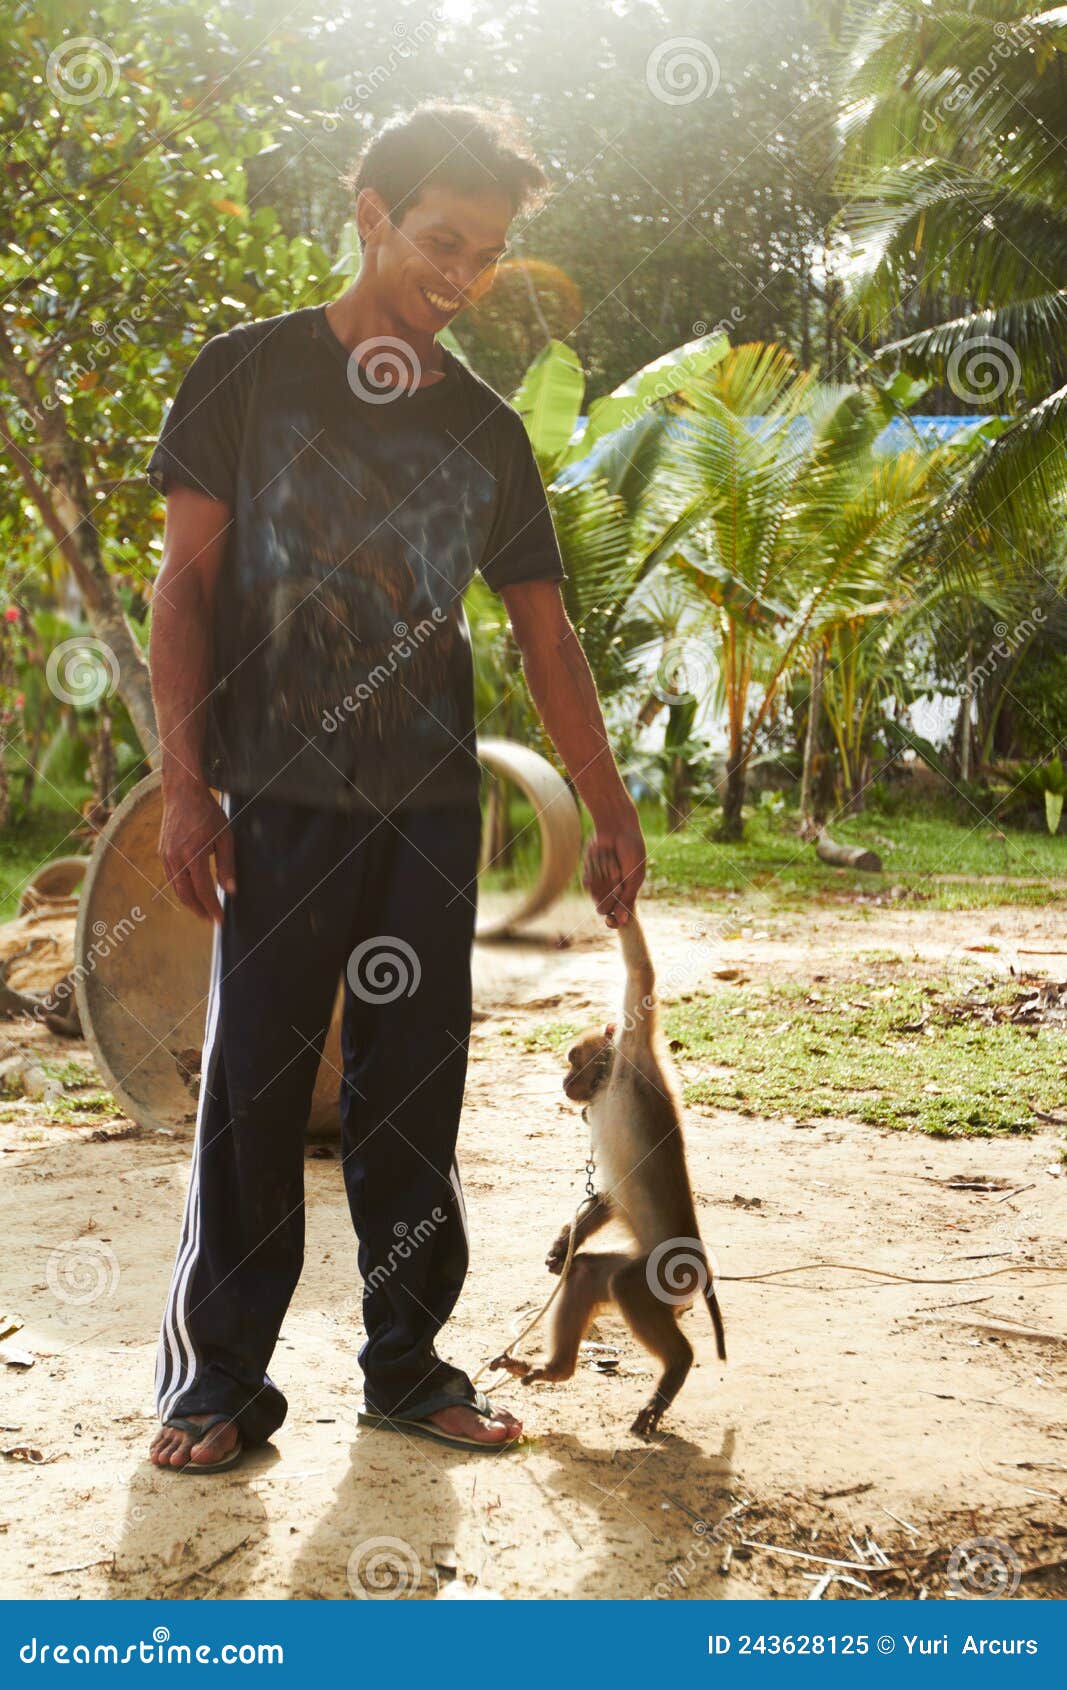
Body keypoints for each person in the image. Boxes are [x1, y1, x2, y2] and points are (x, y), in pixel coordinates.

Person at [146, 102, 646, 1473]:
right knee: (254, 1090)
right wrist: (187, 786)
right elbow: (184, 590)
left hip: (429, 816)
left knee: (415, 1097)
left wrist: (605, 805)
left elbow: (546, 635)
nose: (460, 277)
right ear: (368, 211)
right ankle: (218, 1387)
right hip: (280, 805)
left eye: (484, 256)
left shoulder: (486, 428)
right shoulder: (246, 378)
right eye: (439, 240)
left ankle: (408, 1365)